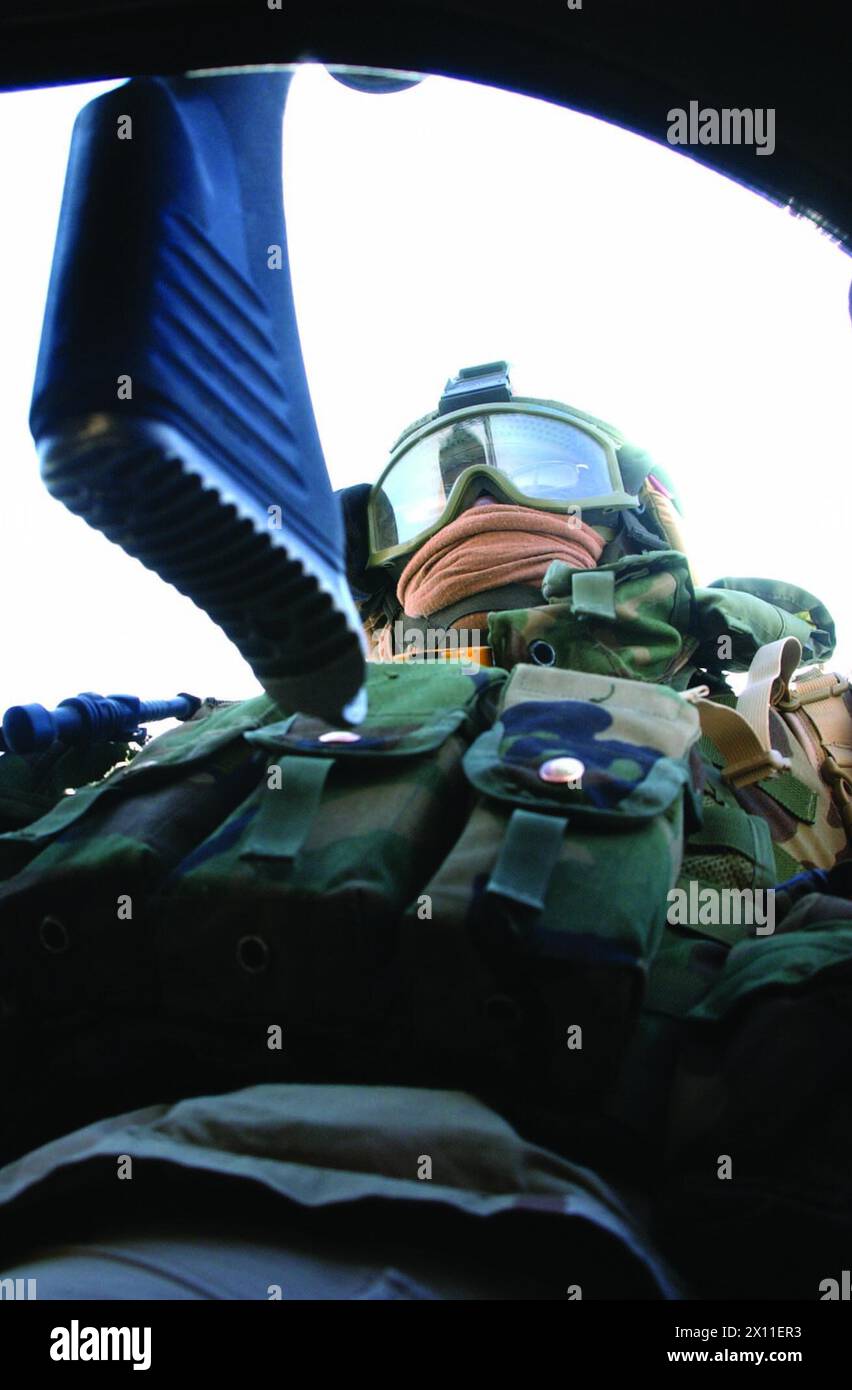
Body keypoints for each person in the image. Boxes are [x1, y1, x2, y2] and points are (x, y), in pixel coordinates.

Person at [0, 361, 850, 1301]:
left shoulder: (793, 733)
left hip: (609, 1232)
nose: (473, 499)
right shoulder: (214, 731)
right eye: (423, 493)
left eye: (537, 464)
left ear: (637, 513)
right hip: (89, 1201)